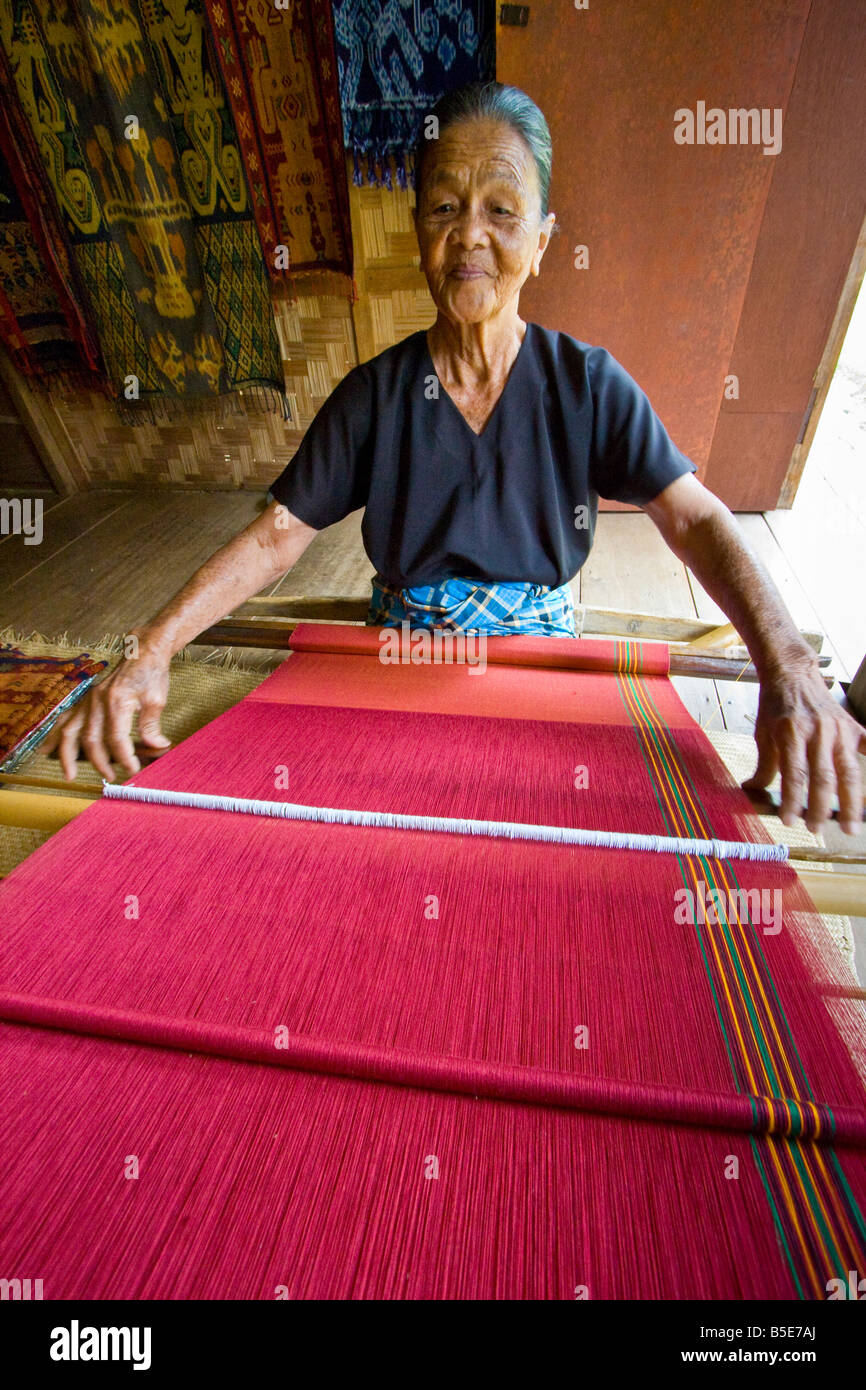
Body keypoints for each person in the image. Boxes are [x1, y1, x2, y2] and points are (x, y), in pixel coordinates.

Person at [46, 81, 864, 836]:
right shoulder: (376, 394)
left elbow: (695, 518)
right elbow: (275, 537)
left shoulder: (585, 384)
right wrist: (149, 653)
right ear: (418, 234)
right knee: (303, 845)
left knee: (584, 864)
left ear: (543, 242)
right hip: (395, 660)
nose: (469, 233)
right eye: (444, 206)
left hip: (542, 670)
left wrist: (785, 663)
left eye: (502, 210)